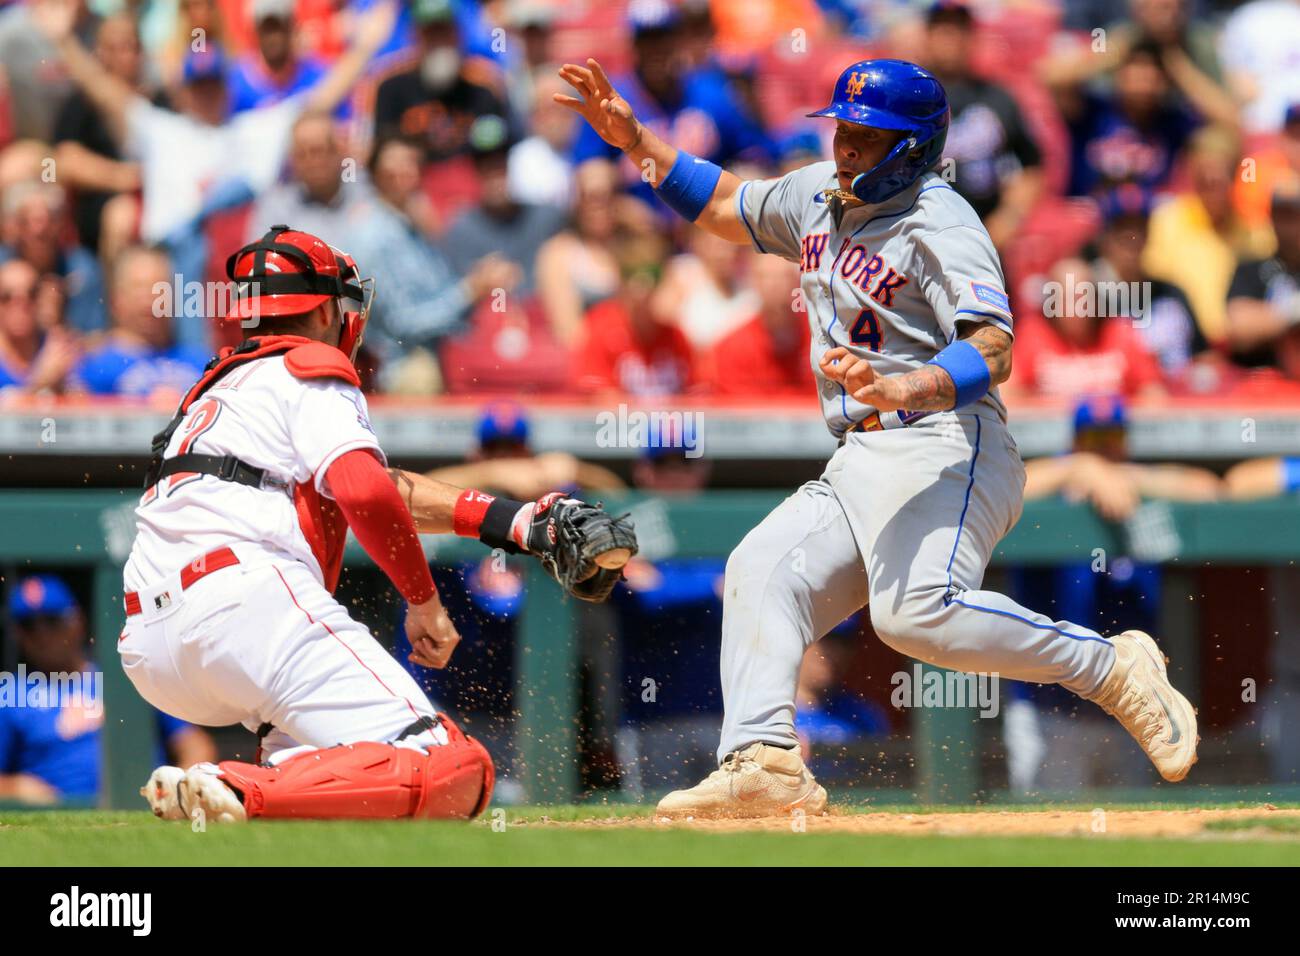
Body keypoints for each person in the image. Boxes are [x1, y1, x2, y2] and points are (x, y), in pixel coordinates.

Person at [556, 55, 1199, 817]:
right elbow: (726, 203)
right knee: (762, 568)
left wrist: (907, 385)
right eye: (843, 128)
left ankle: (1109, 666)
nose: (848, 144)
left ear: (916, 146)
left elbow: (994, 347)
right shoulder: (816, 195)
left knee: (912, 614)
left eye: (868, 134)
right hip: (863, 450)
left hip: (950, 443)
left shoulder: (941, 220)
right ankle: (765, 761)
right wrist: (638, 144)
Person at [122, 224, 631, 822]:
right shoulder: (309, 363)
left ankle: (242, 796)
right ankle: (238, 786)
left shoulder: (218, 388)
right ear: (324, 312)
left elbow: (371, 486)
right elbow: (364, 490)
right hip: (244, 606)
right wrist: (423, 601)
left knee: (334, 785)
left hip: (150, 647)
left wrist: (517, 522)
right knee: (453, 765)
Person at [0, 575, 217, 805]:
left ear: (77, 622)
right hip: (61, 816)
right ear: (17, 634)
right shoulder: (11, 694)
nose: (42, 635)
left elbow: (194, 744)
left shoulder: (127, 676)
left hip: (144, 806)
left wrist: (179, 788)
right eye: (29, 625)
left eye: (52, 621)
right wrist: (16, 787)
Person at [920, 1, 1044, 250]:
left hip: (981, 235)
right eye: (942, 29)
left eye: (958, 30)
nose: (950, 38)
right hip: (918, 233)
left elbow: (1032, 165)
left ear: (971, 37)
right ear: (928, 36)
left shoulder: (997, 98)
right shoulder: (907, 97)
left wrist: (1009, 217)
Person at [72, 245, 209, 401]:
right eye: (140, 289)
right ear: (116, 300)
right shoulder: (94, 367)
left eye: (160, 289)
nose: (150, 299)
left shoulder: (201, 363)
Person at [1223, 178, 1300, 369]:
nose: (1293, 224)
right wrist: (1293, 310)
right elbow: (1240, 328)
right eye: (1285, 214)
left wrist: (1269, 319)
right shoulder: (1252, 270)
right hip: (1262, 387)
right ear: (1272, 217)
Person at [0, 258, 79, 397]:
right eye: (7, 296)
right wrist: (38, 384)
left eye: (31, 294)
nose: (21, 303)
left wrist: (63, 384)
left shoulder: (58, 350)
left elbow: (85, 404)